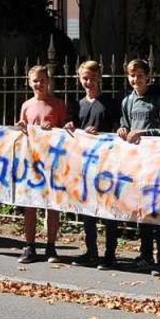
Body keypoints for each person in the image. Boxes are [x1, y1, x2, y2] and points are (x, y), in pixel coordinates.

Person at [118, 58, 160, 276]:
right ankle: (145, 255)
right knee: (142, 211)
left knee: (159, 210)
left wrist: (145, 133)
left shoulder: (159, 98)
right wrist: (123, 129)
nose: (135, 79)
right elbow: (127, 125)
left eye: (139, 75)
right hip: (139, 164)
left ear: (147, 76)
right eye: (131, 75)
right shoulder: (127, 102)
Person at [65, 61, 120, 269]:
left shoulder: (111, 103)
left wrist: (105, 134)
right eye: (84, 79)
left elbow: (119, 130)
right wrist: (71, 126)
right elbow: (73, 132)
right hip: (85, 166)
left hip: (107, 164)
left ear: (99, 78)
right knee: (88, 210)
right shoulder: (78, 105)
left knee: (108, 211)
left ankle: (110, 254)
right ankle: (91, 251)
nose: (88, 82)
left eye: (91, 78)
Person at [16, 65, 69, 263]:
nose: (39, 84)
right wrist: (21, 127)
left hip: (52, 163)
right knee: (30, 206)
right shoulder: (27, 105)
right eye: (35, 81)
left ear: (48, 81)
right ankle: (29, 246)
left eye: (42, 80)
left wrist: (55, 129)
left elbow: (67, 130)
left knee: (52, 206)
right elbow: (22, 128)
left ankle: (51, 247)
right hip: (32, 162)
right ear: (29, 83)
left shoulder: (58, 105)